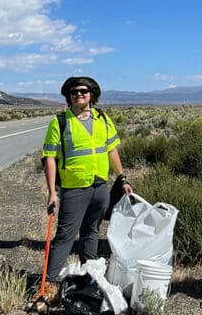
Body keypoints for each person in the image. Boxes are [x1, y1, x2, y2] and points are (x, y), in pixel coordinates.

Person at [39, 76, 132, 302]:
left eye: (83, 91)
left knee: (91, 233)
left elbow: (111, 150)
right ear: (68, 96)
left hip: (100, 187)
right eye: (74, 92)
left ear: (92, 95)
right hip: (74, 188)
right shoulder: (60, 122)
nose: (79, 94)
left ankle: (90, 278)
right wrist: (52, 191)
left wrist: (122, 177)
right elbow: (49, 158)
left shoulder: (102, 119)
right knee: (65, 236)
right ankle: (49, 285)